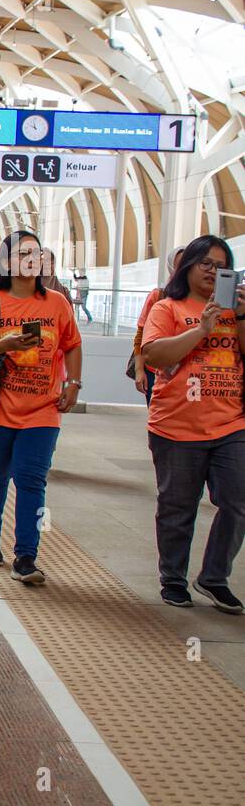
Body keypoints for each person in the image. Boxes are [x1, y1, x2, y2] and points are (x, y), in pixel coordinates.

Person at [0, 231, 82, 585]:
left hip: (43, 410)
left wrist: (73, 383)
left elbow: (72, 344)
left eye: (37, 252)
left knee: (32, 480)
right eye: (23, 253)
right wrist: (6, 343)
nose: (32, 258)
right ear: (6, 262)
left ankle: (27, 556)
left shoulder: (57, 303)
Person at [141, 235, 245, 613]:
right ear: (188, 266)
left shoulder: (237, 312)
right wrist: (201, 328)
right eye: (206, 263)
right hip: (176, 425)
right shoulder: (167, 308)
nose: (213, 272)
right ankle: (173, 578)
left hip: (232, 424)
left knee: (237, 502)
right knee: (178, 507)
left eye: (222, 266)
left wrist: (242, 316)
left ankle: (215, 576)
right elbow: (154, 355)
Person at [133, 247, 184, 405]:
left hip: (187, 374)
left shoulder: (204, 299)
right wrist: (139, 370)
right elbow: (141, 336)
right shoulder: (158, 296)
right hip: (154, 372)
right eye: (179, 265)